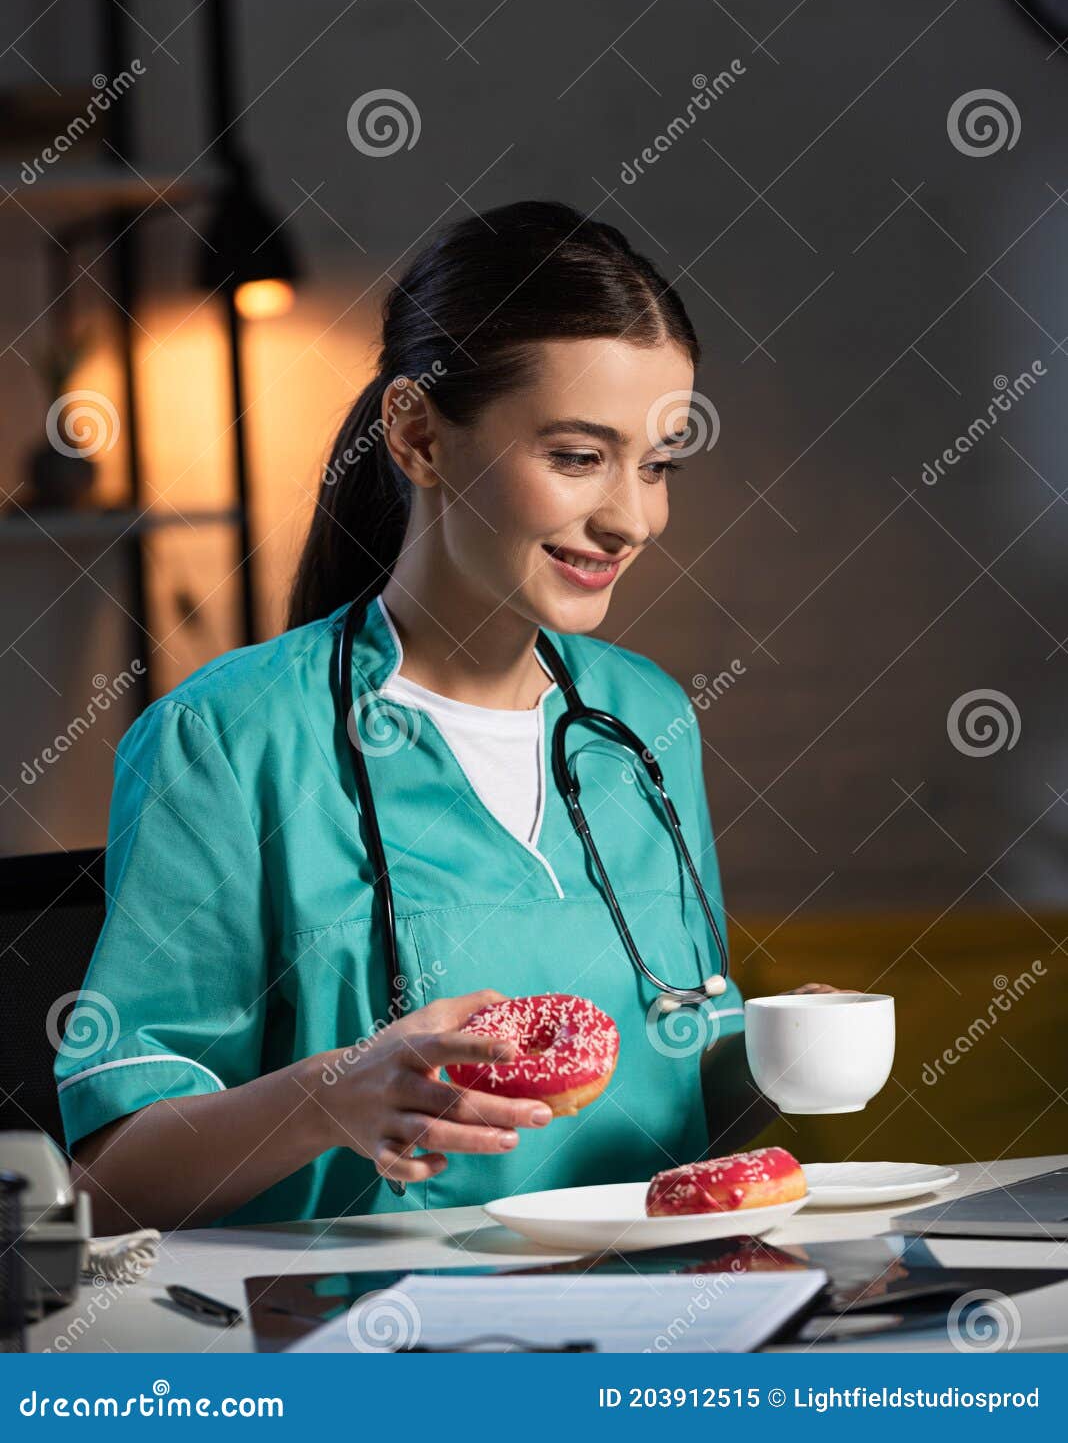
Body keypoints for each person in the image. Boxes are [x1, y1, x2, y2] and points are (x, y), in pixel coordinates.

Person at [60, 200, 834, 1233]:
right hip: (366, 1339)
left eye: (655, 465)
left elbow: (684, 1094)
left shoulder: (644, 717)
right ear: (418, 434)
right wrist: (329, 1093)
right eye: (576, 456)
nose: (632, 518)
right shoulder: (228, 737)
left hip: (667, 1326)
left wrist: (786, 1053)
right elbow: (112, 1183)